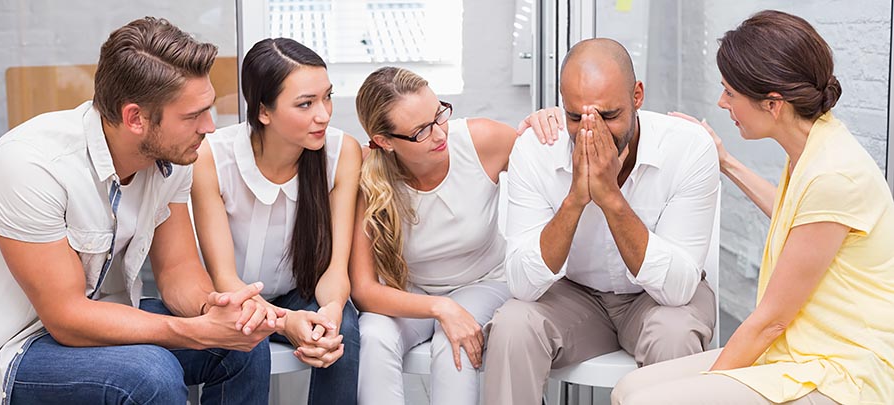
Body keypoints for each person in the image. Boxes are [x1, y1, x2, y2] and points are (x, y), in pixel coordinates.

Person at [612, 10, 894, 405]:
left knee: (650, 400)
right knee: (628, 389)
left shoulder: (834, 175)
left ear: (773, 104)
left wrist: (702, 390)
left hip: (844, 370)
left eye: (730, 92)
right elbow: (795, 216)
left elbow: (770, 321)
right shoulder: (814, 143)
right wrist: (725, 161)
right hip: (800, 352)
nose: (721, 101)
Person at [0, 17, 278, 404]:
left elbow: (177, 270)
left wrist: (215, 311)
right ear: (135, 118)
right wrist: (197, 331)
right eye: (193, 115)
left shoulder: (175, 158)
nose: (210, 127)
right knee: (148, 373)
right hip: (22, 346)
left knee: (242, 345)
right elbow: (66, 318)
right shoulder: (31, 165)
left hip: (112, 314)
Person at [482, 38, 720, 405]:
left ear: (637, 95)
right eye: (576, 117)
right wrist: (576, 198)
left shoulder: (688, 148)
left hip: (657, 301)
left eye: (609, 116)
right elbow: (523, 284)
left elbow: (677, 288)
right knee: (514, 326)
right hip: (575, 296)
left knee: (676, 331)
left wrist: (610, 196)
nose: (592, 131)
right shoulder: (536, 149)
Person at [191, 37, 361, 405]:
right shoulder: (212, 158)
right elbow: (226, 281)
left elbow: (335, 271)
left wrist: (330, 311)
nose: (324, 114)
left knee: (342, 325)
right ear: (263, 111)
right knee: (245, 334)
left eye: (327, 97)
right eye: (306, 104)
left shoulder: (342, 152)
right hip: (227, 298)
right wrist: (286, 323)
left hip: (299, 293)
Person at [349, 66, 520, 404]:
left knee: (450, 342)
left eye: (439, 114)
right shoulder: (368, 173)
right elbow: (364, 290)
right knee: (372, 336)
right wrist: (441, 307)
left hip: (484, 282)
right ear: (384, 141)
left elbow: (552, 168)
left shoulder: (481, 141)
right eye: (421, 131)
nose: (440, 134)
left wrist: (545, 122)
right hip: (413, 289)